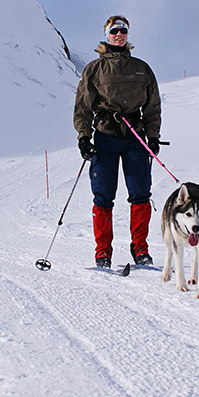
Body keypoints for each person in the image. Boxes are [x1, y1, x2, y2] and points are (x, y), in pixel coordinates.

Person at [74, 15, 162, 268]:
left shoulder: (142, 68)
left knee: (140, 193)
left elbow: (152, 106)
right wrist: (84, 137)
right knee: (103, 196)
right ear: (107, 35)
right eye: (114, 31)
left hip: (135, 137)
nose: (119, 35)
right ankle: (103, 252)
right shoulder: (94, 69)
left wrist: (153, 137)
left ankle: (140, 248)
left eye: (123, 30)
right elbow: (83, 106)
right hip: (105, 136)